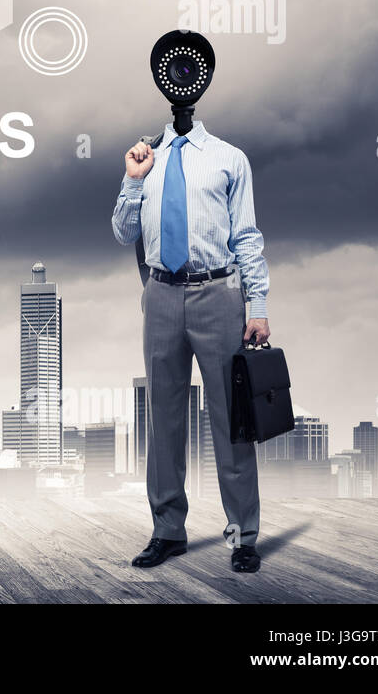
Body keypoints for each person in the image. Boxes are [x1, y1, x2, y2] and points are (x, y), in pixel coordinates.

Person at [112, 120, 270, 573]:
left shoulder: (229, 158)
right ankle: (167, 532)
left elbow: (246, 237)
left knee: (232, 418)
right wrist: (132, 179)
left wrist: (256, 305)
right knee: (162, 419)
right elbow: (124, 233)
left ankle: (243, 537)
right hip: (160, 294)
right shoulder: (145, 159)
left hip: (219, 294)